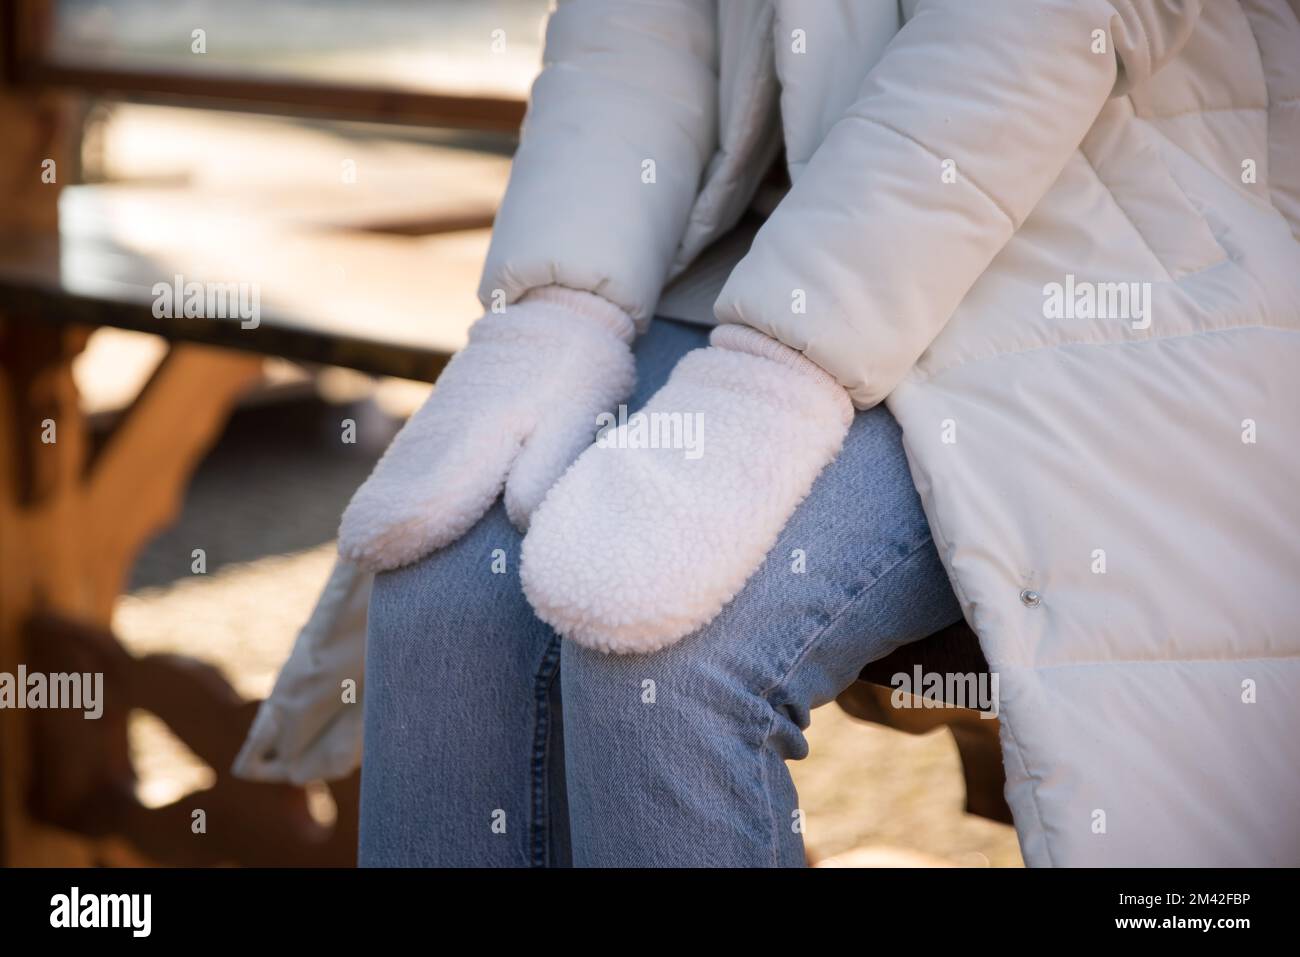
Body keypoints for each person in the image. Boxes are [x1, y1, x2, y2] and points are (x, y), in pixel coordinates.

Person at [241, 0, 1300, 867]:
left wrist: (782, 372)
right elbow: (639, 33)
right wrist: (562, 303)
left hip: (1097, 283)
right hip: (753, 267)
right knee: (442, 591)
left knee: (662, 660)